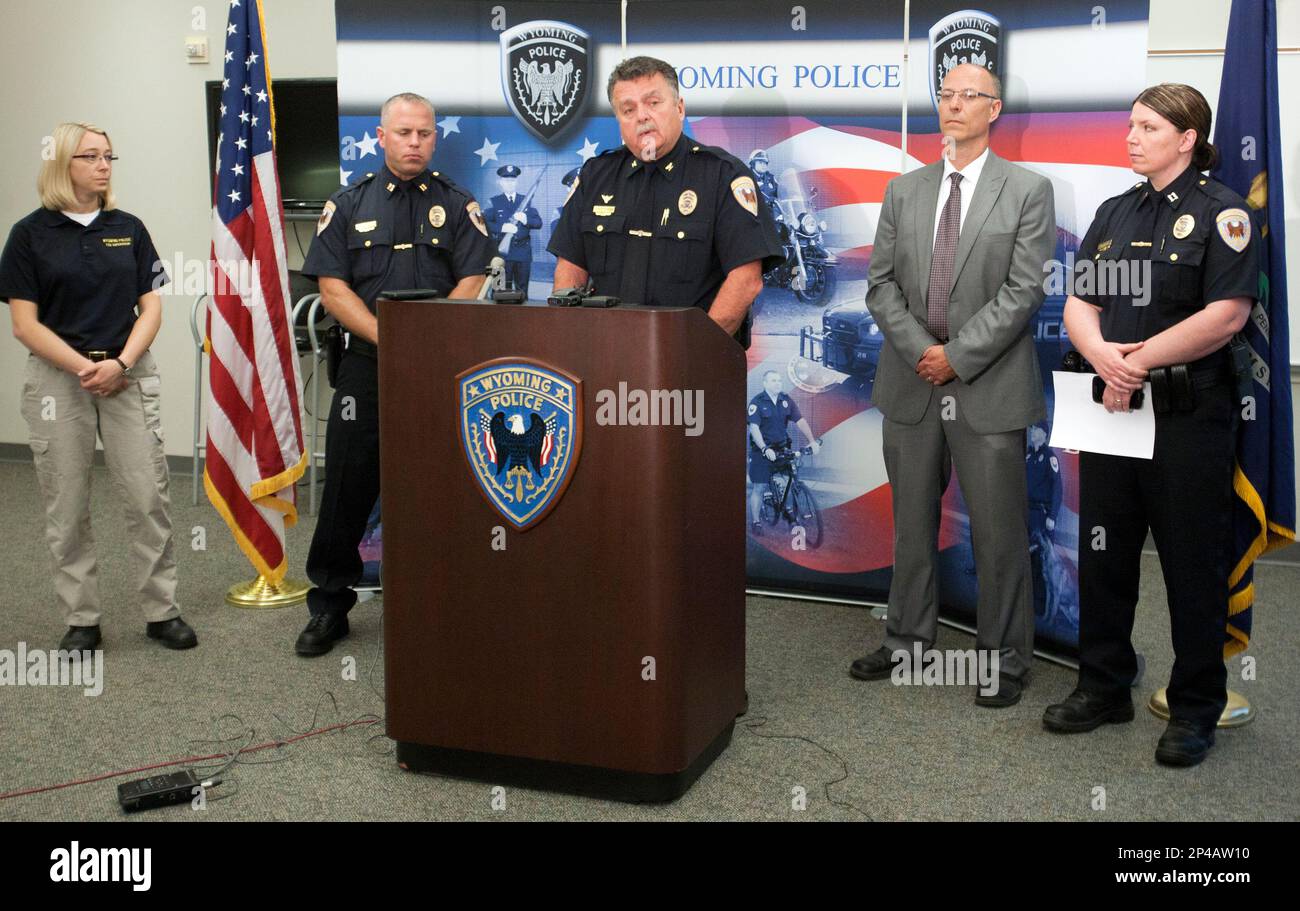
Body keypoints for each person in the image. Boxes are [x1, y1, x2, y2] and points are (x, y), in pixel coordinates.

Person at [1042, 83, 1258, 767]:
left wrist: (1133, 365)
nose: (1131, 136)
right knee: (1104, 554)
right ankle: (1104, 684)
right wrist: (1105, 356)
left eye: (1147, 126)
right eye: (1130, 124)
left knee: (1193, 564)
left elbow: (1226, 315)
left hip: (1185, 414)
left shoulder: (1224, 214)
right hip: (1110, 407)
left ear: (1187, 137)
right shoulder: (1113, 211)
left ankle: (1196, 704)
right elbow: (1080, 301)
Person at [848, 63, 1057, 707]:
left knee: (997, 529)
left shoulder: (1027, 189)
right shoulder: (903, 191)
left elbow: (1023, 292)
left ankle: (1004, 658)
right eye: (947, 94)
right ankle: (908, 637)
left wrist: (957, 358)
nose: (955, 104)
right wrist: (925, 353)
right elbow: (879, 285)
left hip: (988, 385)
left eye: (971, 96)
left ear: (995, 110)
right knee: (911, 522)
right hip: (911, 381)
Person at [296, 92, 495, 656]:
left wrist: (425, 339)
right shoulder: (349, 202)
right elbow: (332, 289)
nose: (414, 142)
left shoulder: (457, 204)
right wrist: (392, 338)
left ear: (435, 139)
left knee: (445, 488)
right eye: (403, 133)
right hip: (367, 368)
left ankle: (444, 600)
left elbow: (473, 277)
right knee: (346, 491)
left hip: (438, 369)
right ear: (381, 136)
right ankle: (330, 605)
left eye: (424, 134)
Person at [0, 122, 196, 651]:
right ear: (63, 164)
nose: (104, 165)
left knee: (147, 495)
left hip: (128, 375)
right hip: (57, 381)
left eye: (109, 155)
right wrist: (86, 369)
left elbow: (151, 307)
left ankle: (162, 611)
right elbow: (25, 325)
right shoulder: (28, 235)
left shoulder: (128, 228)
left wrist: (121, 363)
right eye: (90, 156)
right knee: (65, 504)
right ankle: (81, 619)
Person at [548, 56, 783, 345]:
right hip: (605, 358)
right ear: (618, 120)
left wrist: (688, 356)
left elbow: (746, 280)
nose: (642, 116)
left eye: (653, 103)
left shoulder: (723, 175)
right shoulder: (596, 175)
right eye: (628, 109)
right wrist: (569, 341)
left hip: (692, 368)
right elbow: (570, 266)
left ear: (680, 108)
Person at [748, 369, 821, 532]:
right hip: (761, 450)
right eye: (773, 380)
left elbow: (800, 421)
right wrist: (764, 448)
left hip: (781, 447)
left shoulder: (786, 400)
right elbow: (754, 428)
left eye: (780, 380)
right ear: (765, 383)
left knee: (788, 481)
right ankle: (756, 522)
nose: (778, 383)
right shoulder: (757, 402)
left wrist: (812, 441)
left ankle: (789, 512)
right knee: (759, 487)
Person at [1025, 423, 1062, 622]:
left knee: (1042, 564)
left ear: (1044, 434)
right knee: (1027, 561)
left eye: (1035, 430)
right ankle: (1027, 603)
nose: (1032, 433)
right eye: (1031, 430)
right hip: (1027, 514)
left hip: (1041, 515)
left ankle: (1041, 608)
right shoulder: (1028, 455)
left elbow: (1058, 489)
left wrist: (1052, 517)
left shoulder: (1050, 457)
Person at [486, 164, 542, 295]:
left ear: (516, 182)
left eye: (512, 180)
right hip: (500, 254)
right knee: (498, 291)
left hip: (523, 253)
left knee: (522, 292)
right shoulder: (494, 202)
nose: (509, 183)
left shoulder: (526, 200)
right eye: (506, 180)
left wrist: (525, 220)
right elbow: (484, 224)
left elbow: (538, 223)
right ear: (500, 182)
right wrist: (502, 227)